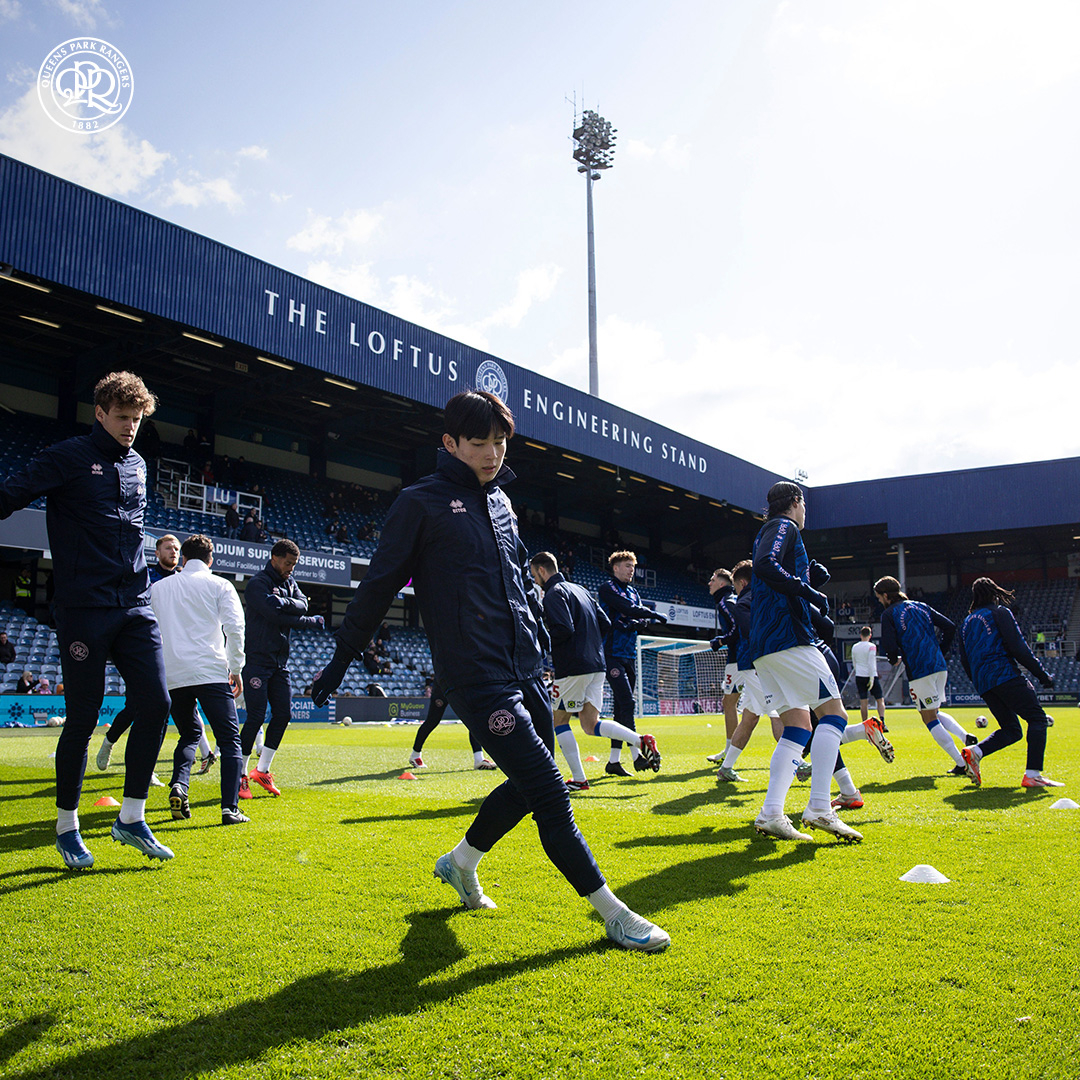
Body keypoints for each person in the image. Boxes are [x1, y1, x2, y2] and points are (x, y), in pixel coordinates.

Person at [310, 390, 669, 951]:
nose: (492, 453)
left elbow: (520, 585)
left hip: (525, 665)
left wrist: (542, 647)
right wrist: (340, 657)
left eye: (500, 442)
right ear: (449, 443)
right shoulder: (420, 503)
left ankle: (460, 862)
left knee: (531, 782)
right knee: (551, 789)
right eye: (479, 443)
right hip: (473, 674)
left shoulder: (501, 502)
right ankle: (614, 912)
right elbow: (379, 584)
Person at [0, 370, 173, 868]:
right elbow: (9, 496)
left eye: (137, 419)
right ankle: (67, 826)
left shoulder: (139, 464)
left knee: (157, 704)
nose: (130, 427)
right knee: (82, 716)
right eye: (122, 417)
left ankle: (132, 817)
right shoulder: (67, 457)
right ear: (100, 412)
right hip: (84, 609)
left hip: (135, 604)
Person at [749, 481, 861, 842]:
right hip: (789, 638)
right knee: (835, 716)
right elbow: (765, 565)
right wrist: (807, 590)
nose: (805, 512)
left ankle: (771, 813)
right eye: (804, 505)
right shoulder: (783, 526)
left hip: (766, 645)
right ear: (796, 502)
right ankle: (819, 808)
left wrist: (805, 581)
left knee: (798, 726)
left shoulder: (773, 531)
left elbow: (770, 572)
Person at [529, 551, 660, 791]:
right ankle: (640, 740)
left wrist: (543, 641)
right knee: (590, 724)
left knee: (559, 720)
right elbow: (606, 624)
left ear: (540, 570)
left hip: (572, 667)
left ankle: (579, 779)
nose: (534, 579)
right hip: (597, 665)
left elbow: (563, 629)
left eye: (533, 574)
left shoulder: (552, 594)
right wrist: (590, 646)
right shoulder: (581, 590)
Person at [150, 534, 249, 825]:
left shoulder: (159, 588)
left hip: (173, 673)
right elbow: (235, 629)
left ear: (183, 558)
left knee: (190, 734)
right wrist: (237, 668)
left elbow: (149, 631)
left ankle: (180, 784)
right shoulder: (220, 585)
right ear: (211, 559)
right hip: (210, 670)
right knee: (230, 740)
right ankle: (230, 809)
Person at [957, 577, 1062, 788]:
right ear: (994, 593)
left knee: (1011, 729)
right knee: (1037, 719)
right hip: (1005, 675)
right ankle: (1033, 775)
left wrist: (979, 682)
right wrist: (1042, 676)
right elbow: (1018, 647)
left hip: (984, 683)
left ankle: (975, 752)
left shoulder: (966, 622)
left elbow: (964, 659)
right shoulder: (999, 613)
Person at [239, 538, 324, 798]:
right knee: (255, 717)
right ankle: (239, 774)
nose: (291, 569)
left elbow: (302, 604)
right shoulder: (257, 584)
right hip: (256, 660)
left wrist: (286, 604)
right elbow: (274, 614)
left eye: (294, 564)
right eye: (288, 563)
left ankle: (262, 770)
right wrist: (306, 618)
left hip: (280, 662)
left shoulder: (289, 582)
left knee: (284, 715)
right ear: (274, 558)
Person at [94, 533, 182, 776]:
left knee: (162, 710)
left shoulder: (182, 580)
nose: (173, 552)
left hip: (173, 654)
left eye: (176, 548)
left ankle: (147, 768)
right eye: (168, 548)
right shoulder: (145, 578)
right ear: (157, 553)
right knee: (135, 707)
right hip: (144, 651)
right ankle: (110, 740)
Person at [875, 575, 975, 775]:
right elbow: (950, 626)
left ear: (886, 595)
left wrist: (893, 657)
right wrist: (941, 650)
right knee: (934, 711)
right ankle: (966, 738)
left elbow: (889, 642)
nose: (879, 601)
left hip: (920, 669)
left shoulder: (889, 613)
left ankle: (962, 763)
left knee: (928, 717)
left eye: (879, 598)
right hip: (939, 664)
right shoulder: (921, 606)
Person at [597, 550, 668, 776]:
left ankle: (613, 762)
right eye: (627, 566)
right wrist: (652, 615)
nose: (631, 570)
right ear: (615, 567)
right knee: (627, 702)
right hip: (612, 654)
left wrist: (637, 622)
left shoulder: (634, 592)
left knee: (622, 708)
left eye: (633, 567)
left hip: (629, 654)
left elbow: (634, 619)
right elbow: (627, 612)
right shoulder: (607, 588)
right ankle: (638, 756)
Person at [714, 560, 783, 781]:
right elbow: (744, 629)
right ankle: (797, 762)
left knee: (751, 716)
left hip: (749, 662)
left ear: (741, 582)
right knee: (777, 711)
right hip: (752, 663)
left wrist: (722, 640)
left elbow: (740, 629)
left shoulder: (735, 600)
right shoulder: (752, 598)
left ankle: (726, 767)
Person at [408, 680, 495, 771]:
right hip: (444, 685)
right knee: (432, 721)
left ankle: (479, 759)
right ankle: (415, 754)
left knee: (473, 719)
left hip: (459, 685)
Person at [704, 568, 738, 763]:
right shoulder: (725, 601)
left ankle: (796, 754)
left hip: (741, 661)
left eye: (713, 579)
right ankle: (729, 751)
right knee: (729, 703)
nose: (709, 583)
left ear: (722, 584)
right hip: (738, 660)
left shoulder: (726, 602)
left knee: (771, 708)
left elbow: (738, 627)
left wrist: (721, 640)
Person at [850, 625, 887, 727]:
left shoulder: (855, 647)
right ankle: (882, 721)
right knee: (880, 699)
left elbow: (854, 663)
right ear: (870, 635)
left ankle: (865, 724)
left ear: (860, 635)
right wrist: (871, 677)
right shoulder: (872, 646)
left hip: (859, 675)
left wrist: (858, 672)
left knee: (863, 701)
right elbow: (871, 663)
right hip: (871, 675)